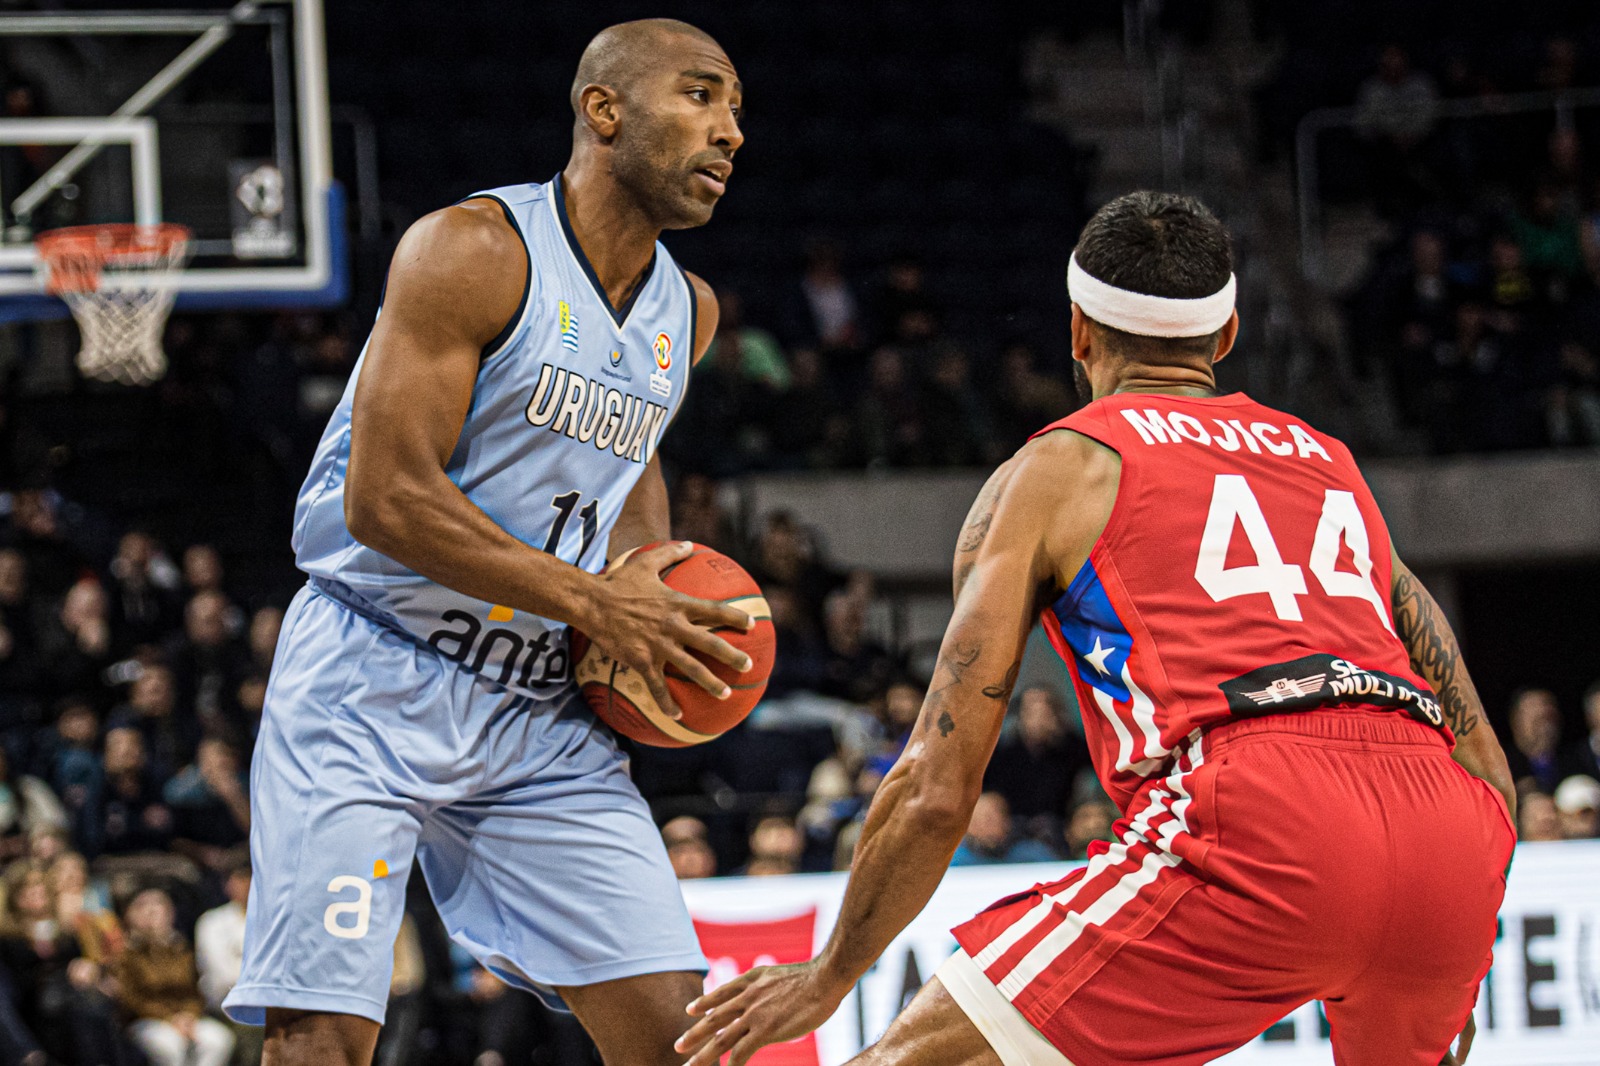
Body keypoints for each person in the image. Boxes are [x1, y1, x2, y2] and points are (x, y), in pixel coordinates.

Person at [678, 192, 1517, 1066]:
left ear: (1078, 331)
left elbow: (935, 779)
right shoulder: (1330, 462)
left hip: (1260, 808)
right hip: (1448, 835)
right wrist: (1444, 923)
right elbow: (1484, 757)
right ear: (1225, 338)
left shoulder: (1058, 466)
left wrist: (827, 975)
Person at [224, 19, 753, 1066]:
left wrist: (649, 602)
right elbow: (387, 499)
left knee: (678, 1031)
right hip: (371, 672)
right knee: (321, 1032)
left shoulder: (686, 313)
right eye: (701, 97)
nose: (730, 132)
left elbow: (630, 452)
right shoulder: (470, 250)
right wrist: (599, 604)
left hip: (535, 705)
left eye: (736, 109)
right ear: (605, 111)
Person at [115, 887, 235, 1066]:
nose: (151, 911)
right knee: (170, 1046)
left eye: (158, 904)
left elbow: (197, 990)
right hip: (147, 1021)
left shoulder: (182, 949)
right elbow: (130, 998)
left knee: (219, 1040)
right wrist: (170, 1018)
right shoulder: (125, 953)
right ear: (129, 915)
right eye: (142, 906)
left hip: (187, 1018)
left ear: (170, 913)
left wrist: (189, 1016)